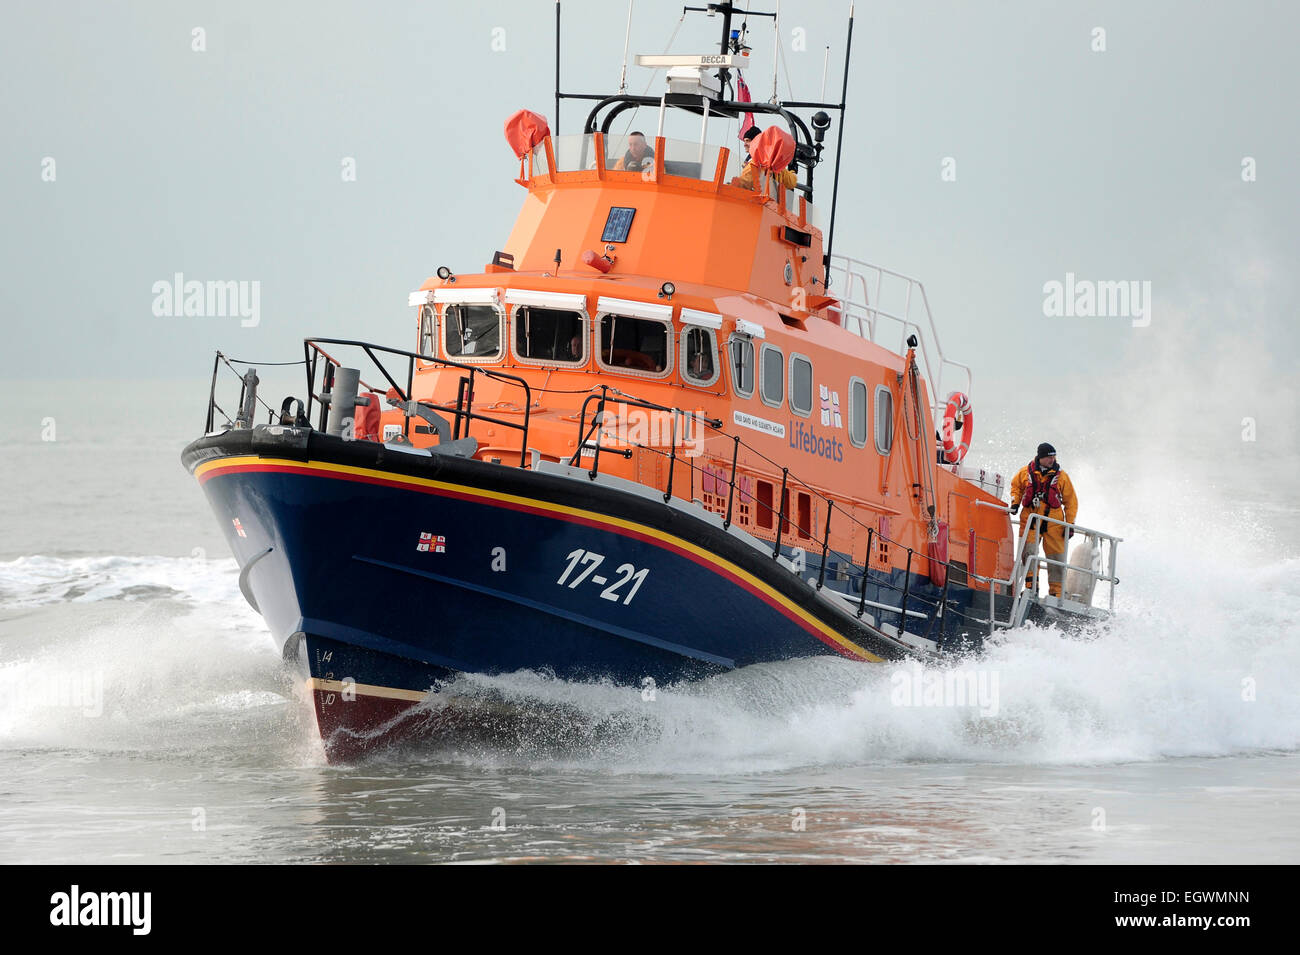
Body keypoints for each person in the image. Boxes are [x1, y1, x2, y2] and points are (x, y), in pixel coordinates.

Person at [1009, 442, 1078, 598]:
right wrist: (1015, 503)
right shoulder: (1024, 473)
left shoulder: (1062, 477)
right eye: (1049, 457)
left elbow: (1071, 501)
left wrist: (1070, 523)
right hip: (1031, 519)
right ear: (1040, 457)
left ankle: (1057, 593)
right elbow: (1016, 487)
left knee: (1057, 558)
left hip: (1055, 523)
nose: (1052, 460)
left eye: (1053, 457)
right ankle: (1030, 588)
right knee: (1029, 554)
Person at [736, 125, 798, 191]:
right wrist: (793, 170)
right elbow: (792, 182)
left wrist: (731, 185)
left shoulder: (756, 163)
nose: (744, 144)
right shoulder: (777, 167)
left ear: (756, 142)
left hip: (757, 199)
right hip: (773, 200)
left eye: (747, 141)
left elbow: (744, 183)